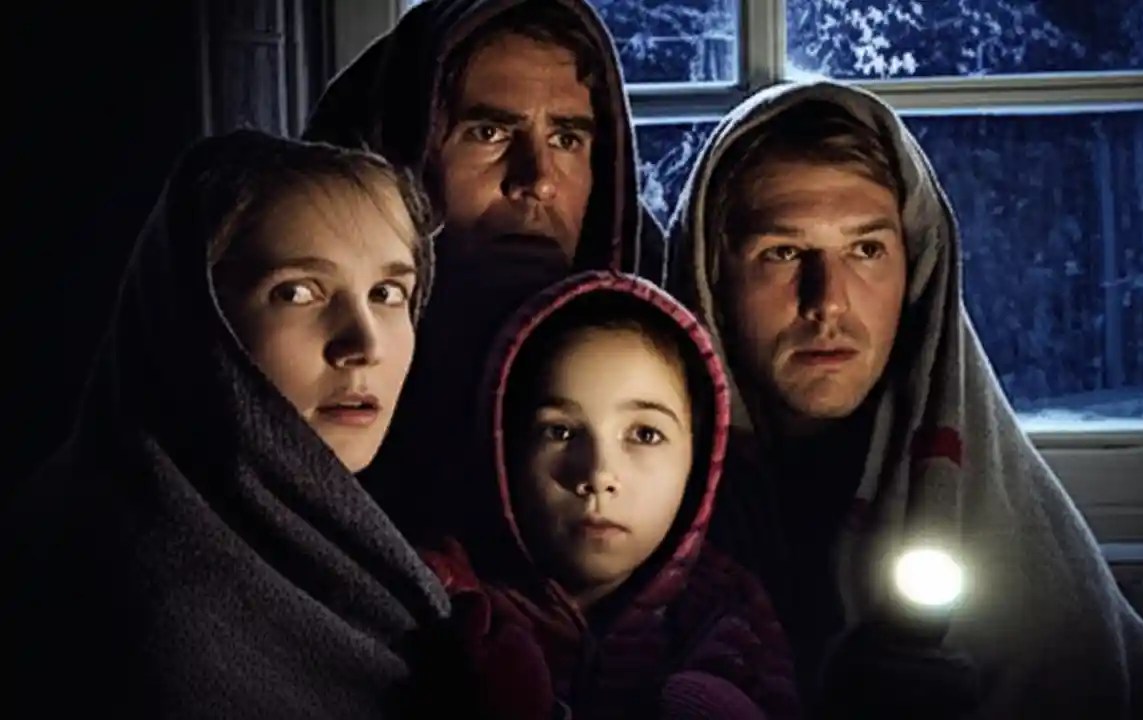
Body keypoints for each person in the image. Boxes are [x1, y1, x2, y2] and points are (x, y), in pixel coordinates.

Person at [666, 80, 1143, 718]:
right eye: (783, 252)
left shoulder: (1007, 523)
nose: (827, 300)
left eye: (866, 250)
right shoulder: (639, 500)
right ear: (712, 278)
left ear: (916, 273)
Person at [3, 130, 451, 718]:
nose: (364, 343)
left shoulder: (339, 528)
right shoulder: (157, 622)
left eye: (389, 293)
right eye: (297, 292)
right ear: (195, 321)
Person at [304, 0, 668, 544]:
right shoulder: (311, 407)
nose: (538, 180)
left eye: (567, 139)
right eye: (489, 133)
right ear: (398, 156)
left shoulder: (674, 378)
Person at [419, 271, 801, 719]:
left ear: (699, 461)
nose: (598, 474)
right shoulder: (445, 597)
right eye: (560, 431)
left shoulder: (726, 610)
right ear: (504, 448)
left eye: (645, 434)